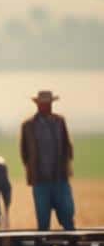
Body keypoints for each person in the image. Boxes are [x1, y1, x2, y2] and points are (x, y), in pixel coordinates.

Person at [21, 90, 75, 230]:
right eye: (43, 103)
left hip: (60, 178)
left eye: (48, 103)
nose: (46, 106)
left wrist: (67, 163)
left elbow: (67, 144)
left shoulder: (59, 121)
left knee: (67, 215)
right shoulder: (28, 125)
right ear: (38, 105)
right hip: (40, 180)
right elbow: (24, 151)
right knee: (43, 220)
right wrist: (31, 170)